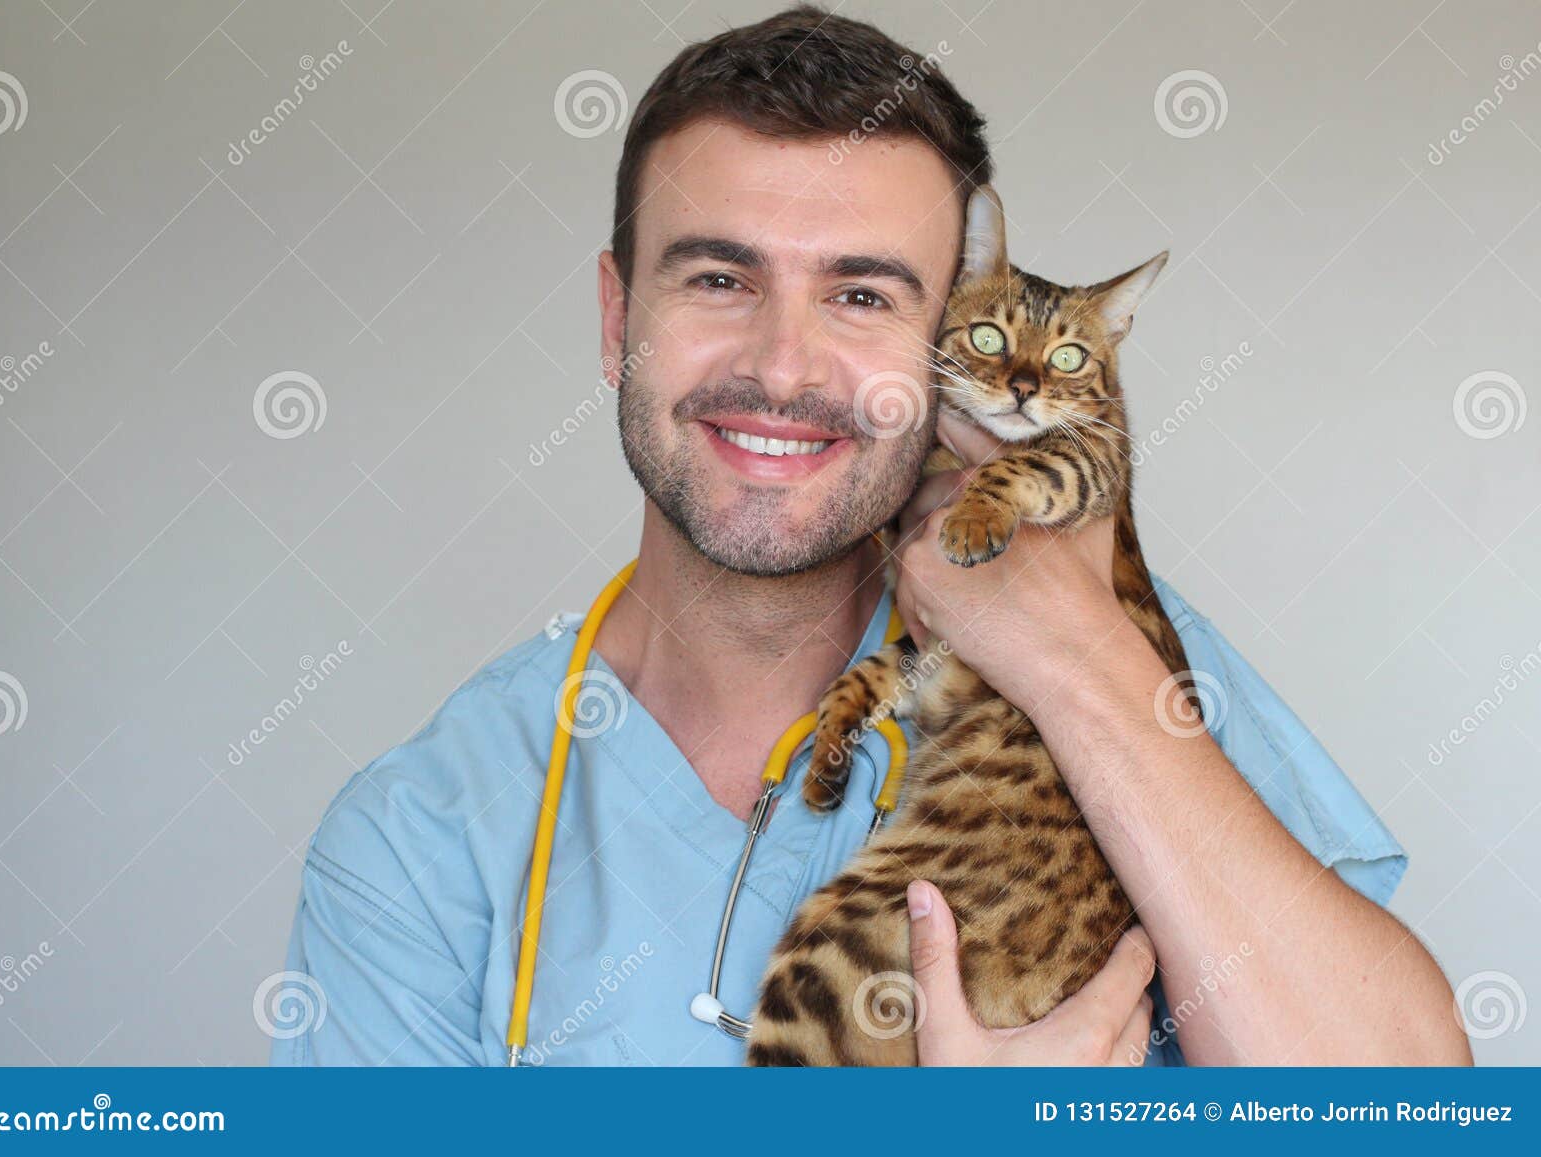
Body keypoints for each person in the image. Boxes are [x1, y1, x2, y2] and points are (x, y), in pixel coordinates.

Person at [270, 4, 1470, 1067]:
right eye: (717, 279)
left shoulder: (1126, 647)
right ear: (614, 316)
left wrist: (1079, 666)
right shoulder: (417, 844)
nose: (781, 365)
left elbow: (1401, 1109)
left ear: (948, 338)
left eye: (861, 295)